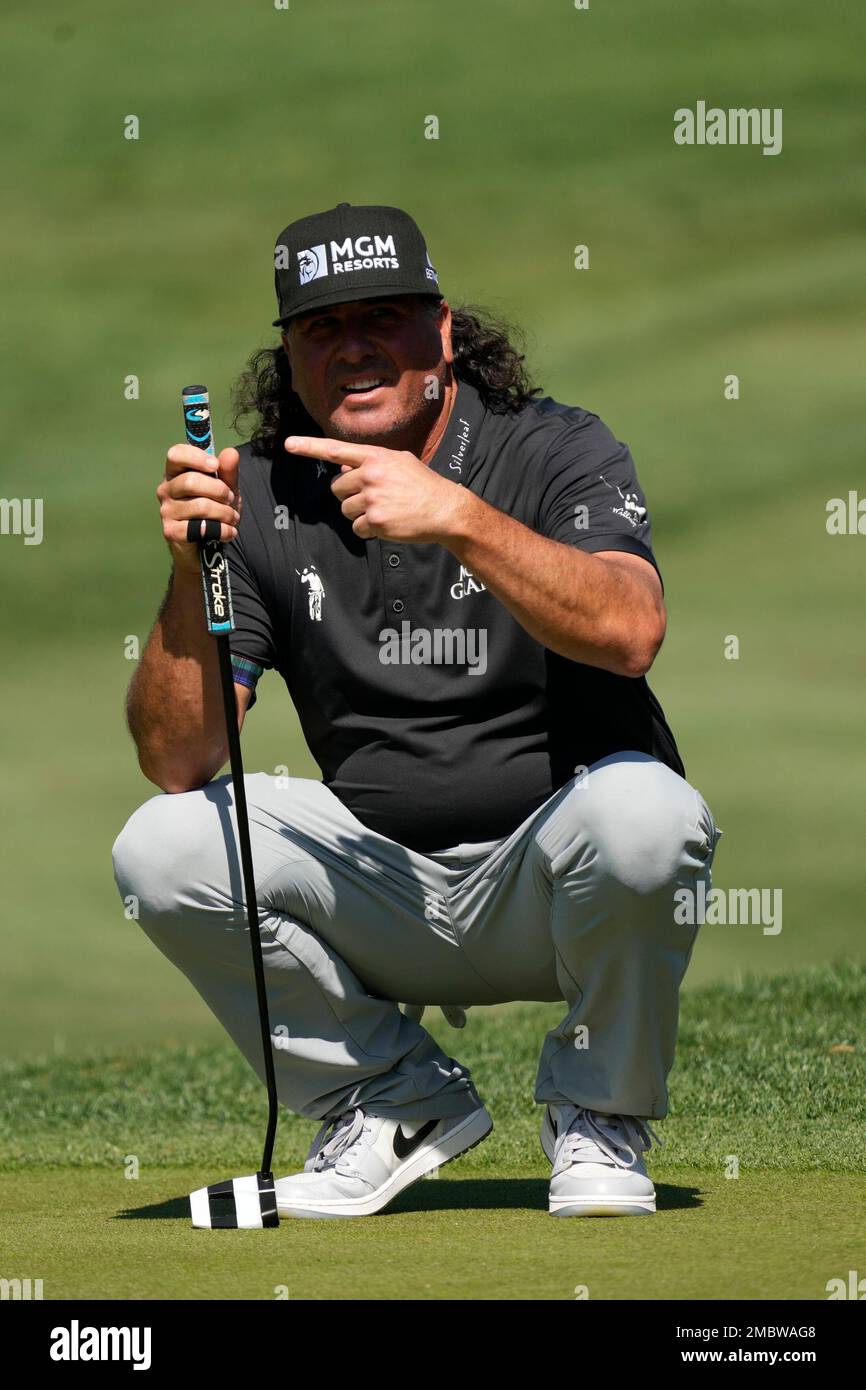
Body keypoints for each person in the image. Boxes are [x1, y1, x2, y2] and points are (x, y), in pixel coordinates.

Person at [112, 202, 721, 1219]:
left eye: (382, 318)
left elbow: (630, 630)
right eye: (321, 328)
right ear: (289, 357)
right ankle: (389, 1102)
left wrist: (457, 516)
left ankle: (599, 1118)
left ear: (443, 333)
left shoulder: (551, 448)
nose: (354, 349)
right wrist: (189, 574)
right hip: (378, 890)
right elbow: (177, 757)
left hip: (550, 879)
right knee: (160, 846)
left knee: (647, 815)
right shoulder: (261, 490)